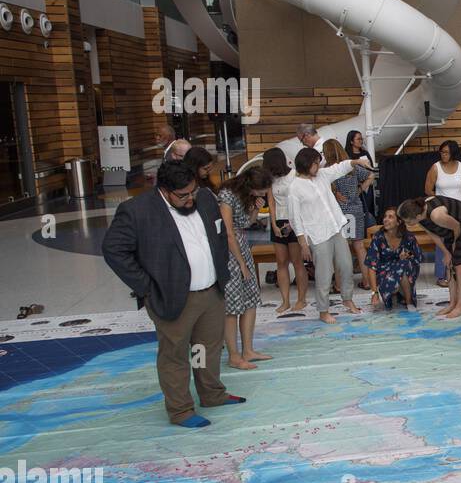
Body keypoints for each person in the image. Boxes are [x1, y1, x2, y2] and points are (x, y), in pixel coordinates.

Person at [102, 160, 245, 427]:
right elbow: (113, 250)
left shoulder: (203, 198)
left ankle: (211, 394)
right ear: (165, 190)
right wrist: (147, 286)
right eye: (183, 195)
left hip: (211, 292)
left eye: (193, 191)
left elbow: (218, 235)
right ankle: (181, 410)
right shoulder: (137, 210)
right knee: (175, 355)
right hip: (173, 297)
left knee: (206, 348)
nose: (191, 198)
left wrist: (221, 270)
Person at [287, 146, 372, 323]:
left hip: (336, 228)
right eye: (316, 164)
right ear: (306, 164)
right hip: (317, 235)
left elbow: (339, 168)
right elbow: (295, 219)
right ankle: (323, 310)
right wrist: (303, 244)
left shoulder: (323, 176)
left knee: (347, 265)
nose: (318, 167)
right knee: (324, 273)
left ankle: (348, 300)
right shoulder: (295, 187)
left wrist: (355, 162)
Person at [217, 166, 273, 369]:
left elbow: (246, 223)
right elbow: (228, 231)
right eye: (261, 191)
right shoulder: (227, 195)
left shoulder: (246, 196)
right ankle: (233, 355)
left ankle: (248, 350)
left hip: (243, 246)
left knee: (250, 301)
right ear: (251, 185)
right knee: (232, 305)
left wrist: (256, 208)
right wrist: (241, 263)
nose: (263, 194)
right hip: (230, 253)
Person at [399, 195, 461, 318]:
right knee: (448, 263)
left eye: (408, 221)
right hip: (451, 231)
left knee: (457, 262)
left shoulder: (437, 215)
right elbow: (433, 233)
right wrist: (446, 252)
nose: (407, 224)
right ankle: (452, 303)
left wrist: (453, 248)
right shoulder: (419, 212)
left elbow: (457, 226)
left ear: (418, 216)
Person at [263, 147, 309, 313]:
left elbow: (301, 201)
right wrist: (274, 224)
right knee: (281, 262)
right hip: (278, 221)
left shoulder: (294, 175)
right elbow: (271, 202)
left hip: (295, 220)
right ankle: (285, 300)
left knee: (297, 262)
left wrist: (292, 224)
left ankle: (301, 299)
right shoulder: (271, 180)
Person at [324, 138, 374, 285]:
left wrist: (335, 193)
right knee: (359, 246)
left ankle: (340, 284)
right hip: (356, 208)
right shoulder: (351, 166)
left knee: (341, 249)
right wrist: (359, 189)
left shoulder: (328, 169)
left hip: (339, 211)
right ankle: (367, 281)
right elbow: (371, 175)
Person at [424, 139, 461, 287]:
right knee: (443, 242)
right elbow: (428, 189)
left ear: (453, 153)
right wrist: (438, 203)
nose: (443, 155)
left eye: (446, 152)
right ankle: (442, 275)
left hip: (460, 209)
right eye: (441, 152)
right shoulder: (435, 167)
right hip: (442, 210)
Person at [365, 206, 422, 310]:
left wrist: (408, 255)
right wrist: (374, 292)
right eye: (385, 216)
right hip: (385, 273)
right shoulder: (378, 237)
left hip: (405, 270)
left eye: (390, 217)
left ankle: (409, 303)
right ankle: (395, 292)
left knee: (404, 264)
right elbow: (371, 265)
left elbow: (418, 256)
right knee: (399, 270)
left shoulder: (408, 237)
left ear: (398, 222)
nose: (386, 219)